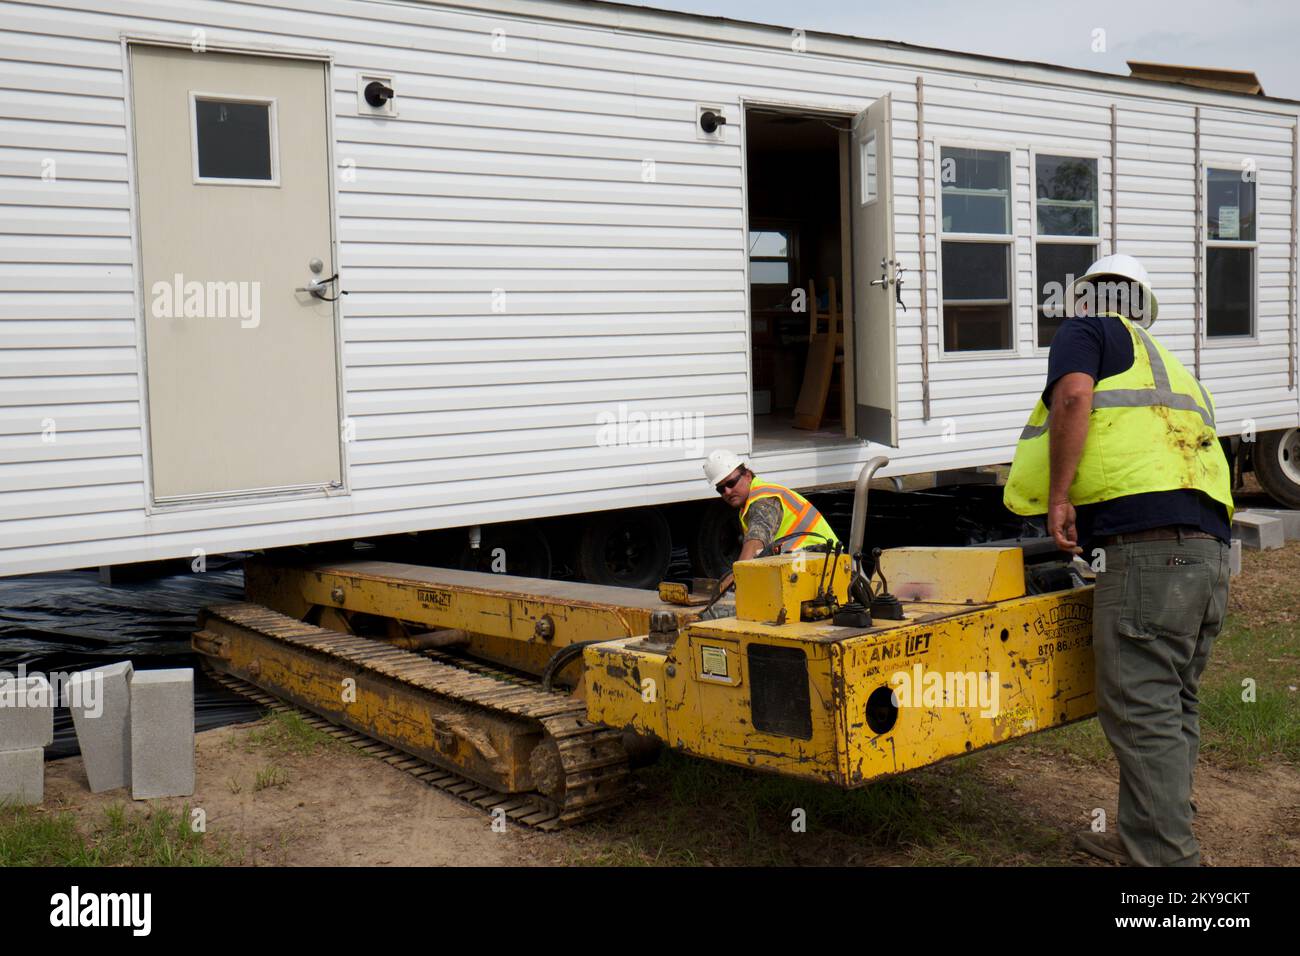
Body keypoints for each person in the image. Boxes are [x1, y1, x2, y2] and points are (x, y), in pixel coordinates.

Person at [1004, 254, 1234, 867]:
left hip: (1148, 554)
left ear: (1091, 297)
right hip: (1208, 554)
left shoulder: (1089, 329)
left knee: (1142, 708)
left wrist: (1058, 497)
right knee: (1172, 702)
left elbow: (1074, 398)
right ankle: (1147, 839)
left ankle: (1168, 867)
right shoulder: (1176, 370)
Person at [702, 449, 839, 562]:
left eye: (731, 483)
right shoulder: (748, 506)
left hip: (823, 561)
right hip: (808, 560)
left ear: (748, 476)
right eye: (721, 489)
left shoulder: (764, 499)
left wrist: (734, 578)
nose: (727, 491)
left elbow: (755, 544)